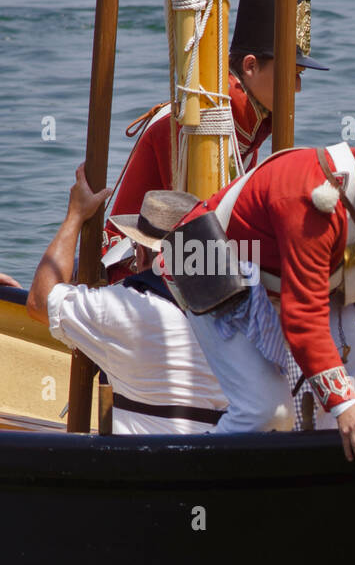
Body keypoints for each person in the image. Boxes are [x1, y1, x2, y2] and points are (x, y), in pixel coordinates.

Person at [173, 101, 355, 461]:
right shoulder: (310, 200)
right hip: (207, 265)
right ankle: (196, 472)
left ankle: (344, 463)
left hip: (281, 282)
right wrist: (344, 404)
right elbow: (304, 314)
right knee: (266, 410)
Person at [101, 0, 327, 282]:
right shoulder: (201, 121)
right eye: (292, 75)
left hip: (191, 257)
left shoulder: (249, 122)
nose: (297, 88)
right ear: (250, 66)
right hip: (136, 270)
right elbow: (195, 228)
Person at [25, 166, 229, 434]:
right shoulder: (245, 310)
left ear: (141, 254)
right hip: (221, 460)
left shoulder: (123, 309)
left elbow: (40, 300)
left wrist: (74, 216)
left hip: (140, 467)